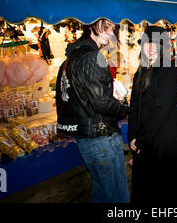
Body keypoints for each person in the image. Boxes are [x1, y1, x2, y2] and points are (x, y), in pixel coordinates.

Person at [55, 18, 131, 203]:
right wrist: (126, 108)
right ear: (91, 23)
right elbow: (101, 102)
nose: (111, 32)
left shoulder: (70, 58)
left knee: (102, 194)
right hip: (102, 137)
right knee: (118, 199)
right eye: (107, 25)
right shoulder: (91, 56)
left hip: (87, 139)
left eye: (114, 28)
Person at [127, 25, 177, 203]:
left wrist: (142, 140)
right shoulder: (141, 71)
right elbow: (135, 107)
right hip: (145, 142)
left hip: (165, 144)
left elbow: (161, 109)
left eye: (156, 43)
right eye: (147, 43)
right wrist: (132, 136)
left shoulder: (169, 71)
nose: (151, 47)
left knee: (170, 193)